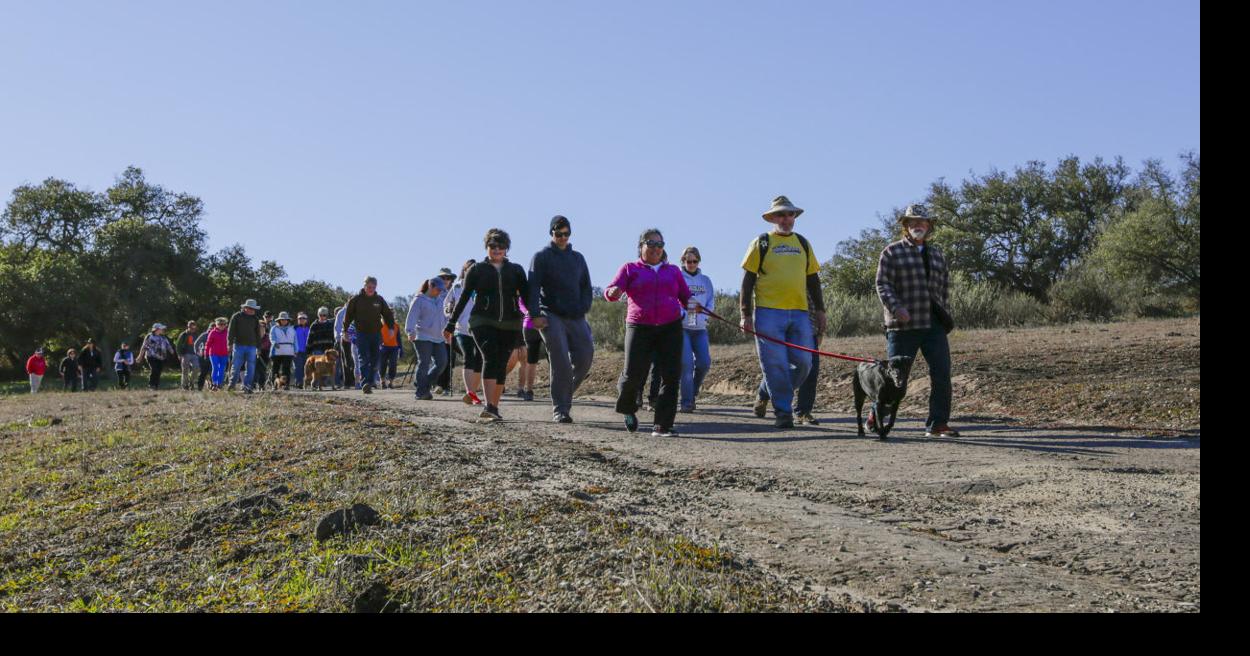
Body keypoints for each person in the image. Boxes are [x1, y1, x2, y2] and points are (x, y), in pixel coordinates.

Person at [740, 196, 827, 429]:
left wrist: (820, 310)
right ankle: (783, 412)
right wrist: (745, 313)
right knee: (775, 363)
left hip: (799, 312)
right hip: (768, 313)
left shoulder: (803, 243)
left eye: (790, 215)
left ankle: (765, 389)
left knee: (805, 363)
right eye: (781, 215)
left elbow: (813, 279)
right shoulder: (762, 242)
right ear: (773, 218)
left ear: (794, 218)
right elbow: (748, 280)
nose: (786, 219)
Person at [876, 204, 960, 437]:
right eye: (912, 222)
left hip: (933, 324)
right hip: (902, 325)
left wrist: (945, 316)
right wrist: (896, 307)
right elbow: (882, 284)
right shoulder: (891, 252)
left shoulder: (937, 254)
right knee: (895, 380)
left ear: (929, 226)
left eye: (922, 222)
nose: (917, 225)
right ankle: (877, 415)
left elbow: (944, 288)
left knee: (942, 374)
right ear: (905, 226)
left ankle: (938, 424)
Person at [605, 228, 694, 437]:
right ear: (641, 246)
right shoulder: (630, 269)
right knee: (632, 375)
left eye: (660, 244)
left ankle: (663, 425)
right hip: (639, 326)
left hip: (670, 326)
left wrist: (692, 311)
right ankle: (628, 408)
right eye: (651, 243)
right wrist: (612, 292)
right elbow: (610, 292)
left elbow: (686, 297)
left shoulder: (673, 271)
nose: (656, 248)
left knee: (671, 376)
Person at [444, 228, 530, 423]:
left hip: (510, 323)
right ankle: (489, 405)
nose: (497, 249)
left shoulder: (516, 270)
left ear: (506, 248)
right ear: (487, 247)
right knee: (490, 357)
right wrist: (450, 324)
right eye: (492, 246)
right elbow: (464, 297)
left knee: (501, 362)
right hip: (482, 321)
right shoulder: (477, 270)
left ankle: (494, 406)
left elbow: (526, 296)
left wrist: (535, 314)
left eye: (501, 246)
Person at [527, 215, 596, 424]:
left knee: (585, 356)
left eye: (566, 234)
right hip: (550, 315)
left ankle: (565, 393)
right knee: (561, 361)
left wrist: (584, 307)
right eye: (559, 234)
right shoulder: (541, 257)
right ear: (552, 233)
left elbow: (586, 287)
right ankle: (561, 409)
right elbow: (533, 288)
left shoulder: (578, 258)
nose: (563, 237)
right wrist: (535, 315)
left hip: (575, 315)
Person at [755, 292, 824, 424]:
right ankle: (764, 394)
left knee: (811, 370)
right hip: (784, 325)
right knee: (779, 365)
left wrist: (819, 331)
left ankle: (803, 412)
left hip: (809, 329)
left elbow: (816, 301)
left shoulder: (811, 276)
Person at [344, 276, 397, 395]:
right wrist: (345, 330)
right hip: (361, 333)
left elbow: (387, 314)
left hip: (375, 334)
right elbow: (348, 316)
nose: (371, 289)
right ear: (364, 286)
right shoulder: (356, 300)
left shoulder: (379, 300)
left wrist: (390, 327)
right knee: (363, 358)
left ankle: (370, 380)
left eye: (373, 287)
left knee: (375, 358)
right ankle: (365, 383)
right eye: (369, 287)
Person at [677, 247, 715, 412]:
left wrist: (704, 316)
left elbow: (710, 302)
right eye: (688, 261)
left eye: (695, 261)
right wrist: (684, 315)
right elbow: (673, 300)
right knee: (686, 365)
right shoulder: (678, 278)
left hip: (700, 329)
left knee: (704, 363)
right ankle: (687, 402)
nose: (691, 264)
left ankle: (693, 390)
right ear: (683, 261)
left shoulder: (705, 281)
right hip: (683, 328)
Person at [445, 259, 484, 405]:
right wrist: (449, 311)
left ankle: (473, 392)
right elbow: (447, 305)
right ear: (464, 271)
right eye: (468, 270)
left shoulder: (482, 286)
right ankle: (470, 392)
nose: (471, 272)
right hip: (461, 329)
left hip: (479, 328)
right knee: (469, 356)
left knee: (480, 360)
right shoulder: (456, 287)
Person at [408, 276, 450, 400]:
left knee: (442, 362)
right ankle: (421, 392)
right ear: (430, 286)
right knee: (424, 363)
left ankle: (423, 383)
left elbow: (446, 317)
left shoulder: (441, 300)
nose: (440, 292)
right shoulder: (419, 300)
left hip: (439, 336)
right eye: (438, 289)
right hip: (422, 336)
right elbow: (412, 317)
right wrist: (410, 331)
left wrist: (449, 330)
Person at [227, 299, 263, 393]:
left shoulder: (255, 318)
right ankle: (231, 385)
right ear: (245, 308)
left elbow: (257, 334)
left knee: (251, 368)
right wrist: (230, 343)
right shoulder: (236, 316)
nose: (253, 310)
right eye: (251, 308)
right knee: (236, 366)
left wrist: (259, 347)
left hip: (252, 346)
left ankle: (247, 387)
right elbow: (231, 331)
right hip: (238, 345)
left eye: (254, 309)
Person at [434, 267, 458, 394]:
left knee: (450, 360)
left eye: (447, 278)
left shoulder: (455, 293)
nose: (445, 280)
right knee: (439, 360)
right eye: (442, 278)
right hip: (436, 332)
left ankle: (445, 385)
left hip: (451, 331)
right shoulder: (434, 293)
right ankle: (438, 384)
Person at [516, 297, 545, 402]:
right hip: (530, 325)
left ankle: (558, 391)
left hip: (547, 324)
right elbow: (521, 303)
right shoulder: (529, 287)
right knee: (531, 360)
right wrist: (528, 312)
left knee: (553, 359)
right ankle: (529, 390)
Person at [138, 323, 175, 390]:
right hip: (151, 356)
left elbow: (168, 345)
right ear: (156, 329)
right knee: (154, 369)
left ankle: (156, 386)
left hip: (161, 357)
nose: (163, 330)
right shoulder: (149, 336)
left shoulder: (163, 337)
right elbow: (144, 347)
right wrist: (140, 356)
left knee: (159, 371)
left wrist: (172, 351)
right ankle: (151, 385)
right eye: (161, 329)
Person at [269, 312, 298, 390]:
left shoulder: (292, 329)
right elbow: (272, 337)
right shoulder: (274, 328)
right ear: (279, 320)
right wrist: (274, 343)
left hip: (289, 352)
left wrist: (296, 350)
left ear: (288, 320)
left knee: (286, 369)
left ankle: (286, 384)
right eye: (282, 319)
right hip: (277, 352)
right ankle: (274, 384)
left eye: (285, 320)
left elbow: (295, 340)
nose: (284, 321)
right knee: (275, 368)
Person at [378, 315, 403, 389]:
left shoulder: (396, 326)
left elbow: (398, 338)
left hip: (394, 348)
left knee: (393, 364)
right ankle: (382, 381)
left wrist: (401, 348)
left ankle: (391, 382)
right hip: (383, 348)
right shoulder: (380, 325)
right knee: (382, 365)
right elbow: (377, 337)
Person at [205, 317, 230, 390]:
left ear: (226, 325)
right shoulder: (212, 332)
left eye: (223, 324)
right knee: (215, 367)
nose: (221, 326)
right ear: (216, 324)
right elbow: (208, 343)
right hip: (213, 353)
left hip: (224, 354)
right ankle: (214, 383)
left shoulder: (228, 333)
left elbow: (231, 342)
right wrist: (206, 353)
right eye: (219, 324)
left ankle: (219, 384)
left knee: (222, 369)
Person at [177, 321, 200, 390]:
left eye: (194, 327)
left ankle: (192, 382)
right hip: (185, 354)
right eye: (191, 327)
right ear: (188, 327)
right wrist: (179, 354)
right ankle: (185, 385)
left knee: (197, 367)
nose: (193, 329)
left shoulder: (197, 335)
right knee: (185, 370)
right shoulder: (183, 334)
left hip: (195, 354)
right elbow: (178, 345)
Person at [293, 312, 311, 389]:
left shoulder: (309, 328)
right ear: (297, 320)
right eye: (300, 318)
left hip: (307, 351)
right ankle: (298, 383)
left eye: (303, 318)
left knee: (307, 368)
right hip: (297, 351)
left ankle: (307, 383)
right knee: (298, 367)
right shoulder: (294, 328)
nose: (302, 320)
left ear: (306, 320)